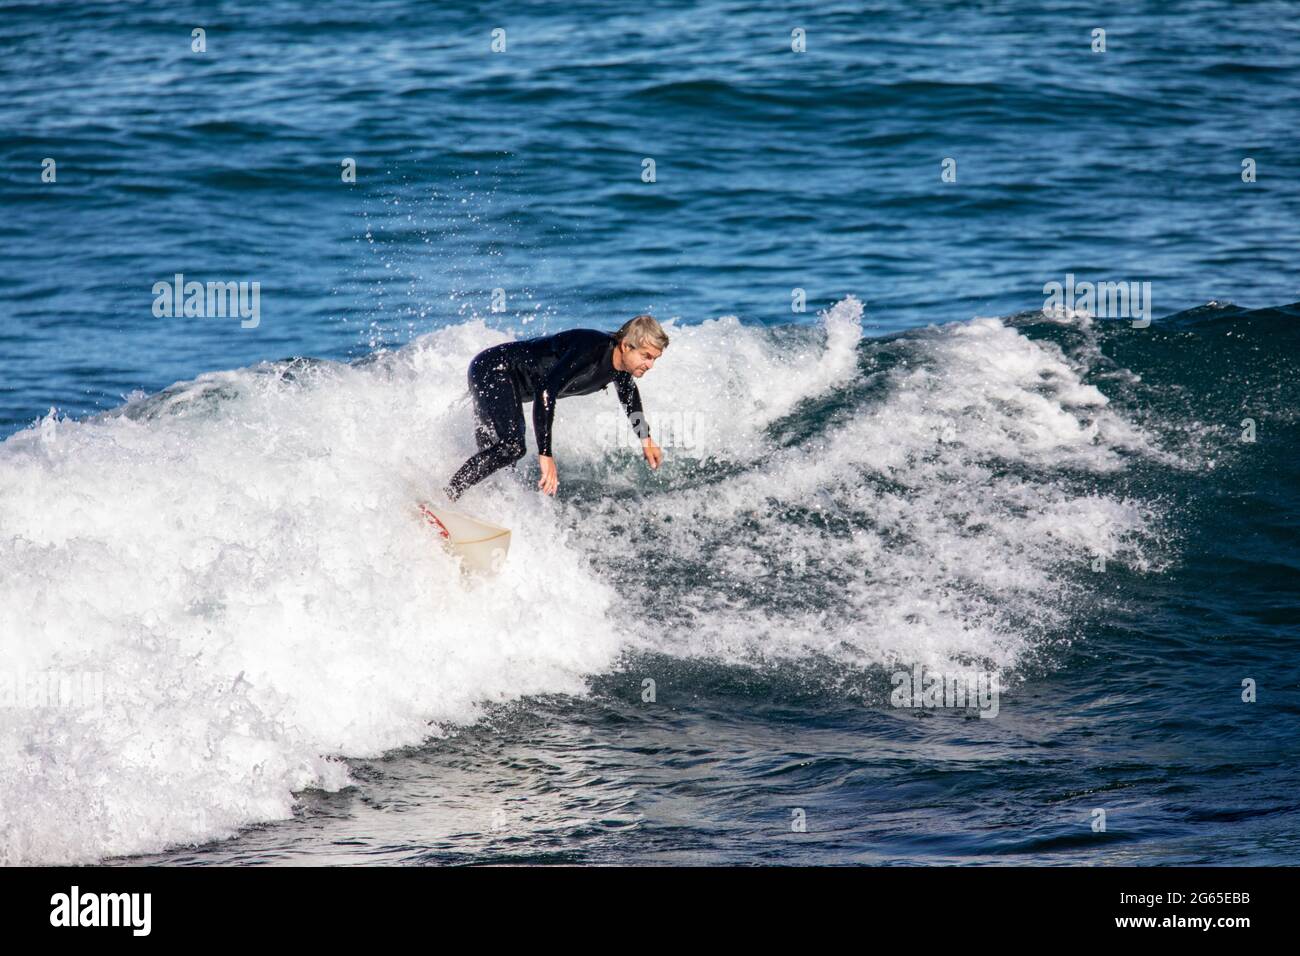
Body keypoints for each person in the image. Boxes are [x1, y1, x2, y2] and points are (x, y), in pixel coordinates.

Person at [444, 314, 667, 500]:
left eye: (654, 359)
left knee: (502, 463)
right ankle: (447, 496)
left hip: (506, 385)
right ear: (627, 346)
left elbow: (629, 396)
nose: (650, 365)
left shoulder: (621, 369)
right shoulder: (591, 349)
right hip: (493, 369)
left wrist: (645, 438)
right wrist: (545, 454)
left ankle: (473, 506)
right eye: (646, 356)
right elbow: (545, 390)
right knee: (512, 447)